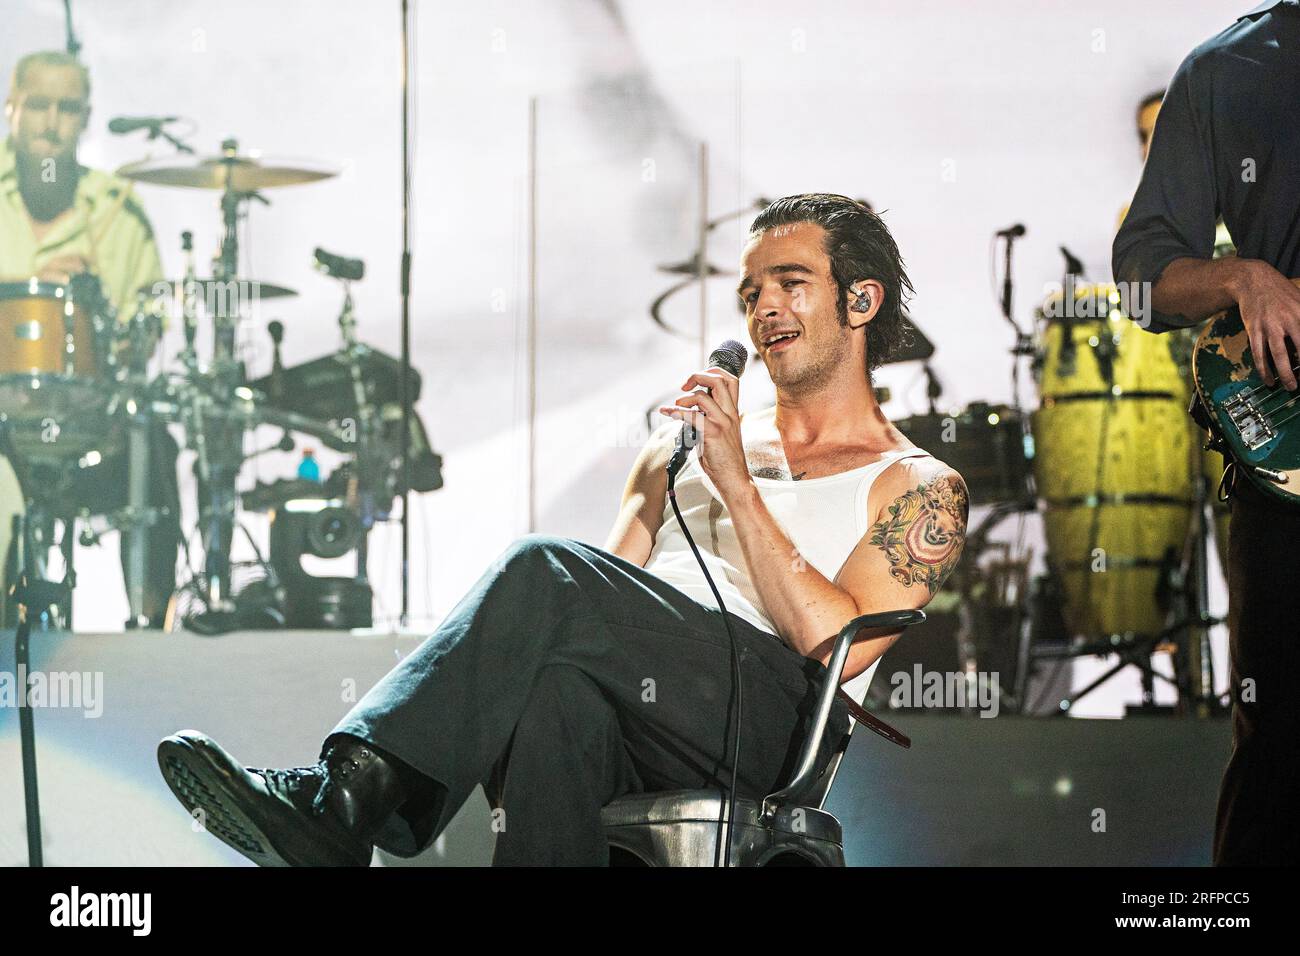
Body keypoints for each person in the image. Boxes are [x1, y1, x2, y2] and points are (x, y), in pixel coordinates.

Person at [157, 193, 969, 866]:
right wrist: (699, 461)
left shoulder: (919, 485)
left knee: (544, 568)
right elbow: (596, 602)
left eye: (791, 283)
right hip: (649, 701)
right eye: (751, 292)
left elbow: (834, 648)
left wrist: (737, 487)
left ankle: (345, 799)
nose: (764, 308)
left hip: (770, 716)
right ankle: (344, 810)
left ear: (860, 301)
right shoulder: (682, 441)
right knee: (554, 691)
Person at [1113, 0, 1300, 866]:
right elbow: (1145, 276)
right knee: (1281, 748)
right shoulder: (1228, 70)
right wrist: (1243, 277)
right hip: (1292, 462)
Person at [0, 49, 180, 627]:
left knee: (157, 449)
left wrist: (115, 327)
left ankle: (151, 626)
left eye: (68, 109)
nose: (52, 123)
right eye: (38, 106)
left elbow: (149, 318)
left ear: (86, 118)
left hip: (88, 426)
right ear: (11, 109)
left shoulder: (118, 212)